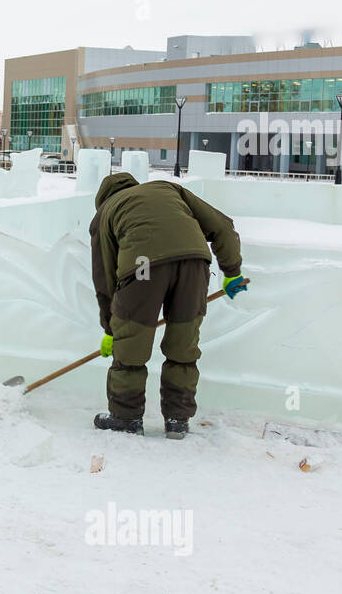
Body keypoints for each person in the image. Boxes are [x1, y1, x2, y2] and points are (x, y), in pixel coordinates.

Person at [89, 172, 248, 439]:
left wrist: (111, 329)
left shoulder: (105, 212)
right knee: (182, 345)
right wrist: (232, 271)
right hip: (194, 263)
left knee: (132, 346)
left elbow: (104, 278)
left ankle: (126, 417)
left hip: (143, 267)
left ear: (102, 199)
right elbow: (223, 226)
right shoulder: (167, 189)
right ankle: (178, 420)